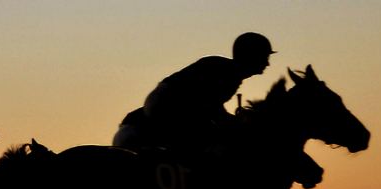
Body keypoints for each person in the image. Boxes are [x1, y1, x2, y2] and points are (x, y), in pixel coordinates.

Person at [114, 32, 276, 153]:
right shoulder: (227, 73)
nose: (267, 63)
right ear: (251, 56)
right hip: (167, 104)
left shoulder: (226, 70)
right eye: (264, 57)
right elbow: (210, 107)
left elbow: (207, 107)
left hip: (160, 103)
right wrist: (236, 124)